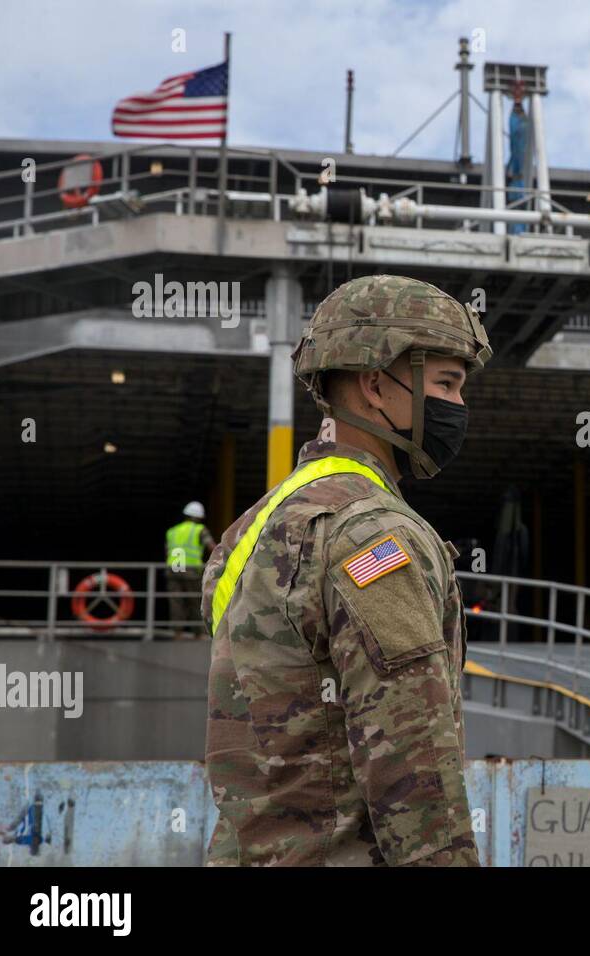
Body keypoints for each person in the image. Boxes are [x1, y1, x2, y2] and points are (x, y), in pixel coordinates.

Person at [201, 274, 491, 866]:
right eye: (447, 383)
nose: (458, 407)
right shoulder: (375, 534)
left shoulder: (255, 526)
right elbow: (415, 770)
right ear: (376, 385)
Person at [165, 501, 215, 639]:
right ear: (198, 517)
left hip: (174, 569)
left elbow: (168, 551)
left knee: (176, 602)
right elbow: (212, 547)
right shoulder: (199, 529)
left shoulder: (172, 531)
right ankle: (198, 633)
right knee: (195, 602)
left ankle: (177, 633)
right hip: (191, 571)